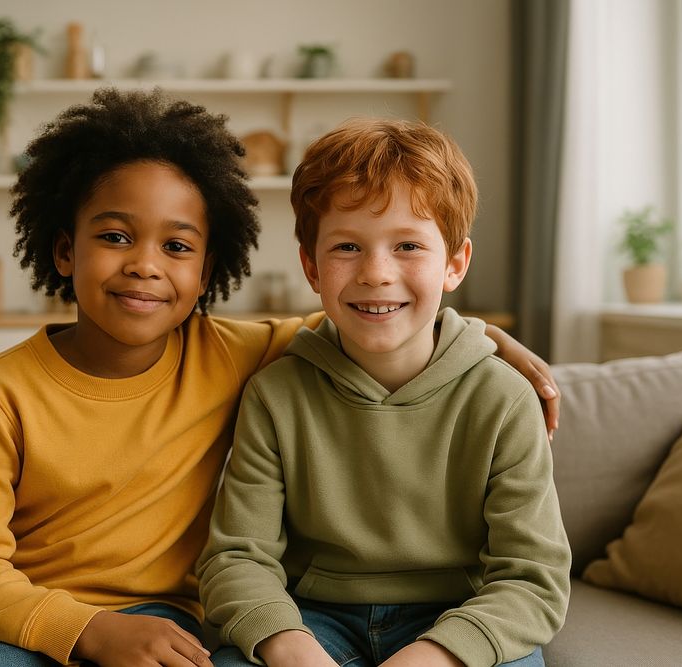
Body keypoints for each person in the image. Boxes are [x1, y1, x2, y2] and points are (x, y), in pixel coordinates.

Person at [0, 89, 561, 667]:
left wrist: (485, 342)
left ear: (206, 270)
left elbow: (379, 320)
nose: (145, 265)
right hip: (22, 611)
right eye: (115, 236)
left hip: (162, 616)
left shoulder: (230, 354)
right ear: (65, 250)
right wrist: (89, 630)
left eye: (177, 247)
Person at [197, 118, 572, 667]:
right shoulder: (275, 394)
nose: (376, 273)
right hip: (311, 619)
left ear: (455, 264)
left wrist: (436, 654)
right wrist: (288, 644)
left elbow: (533, 577)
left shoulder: (504, 399)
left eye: (408, 245)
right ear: (311, 267)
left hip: (456, 619)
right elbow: (237, 558)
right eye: (347, 246)